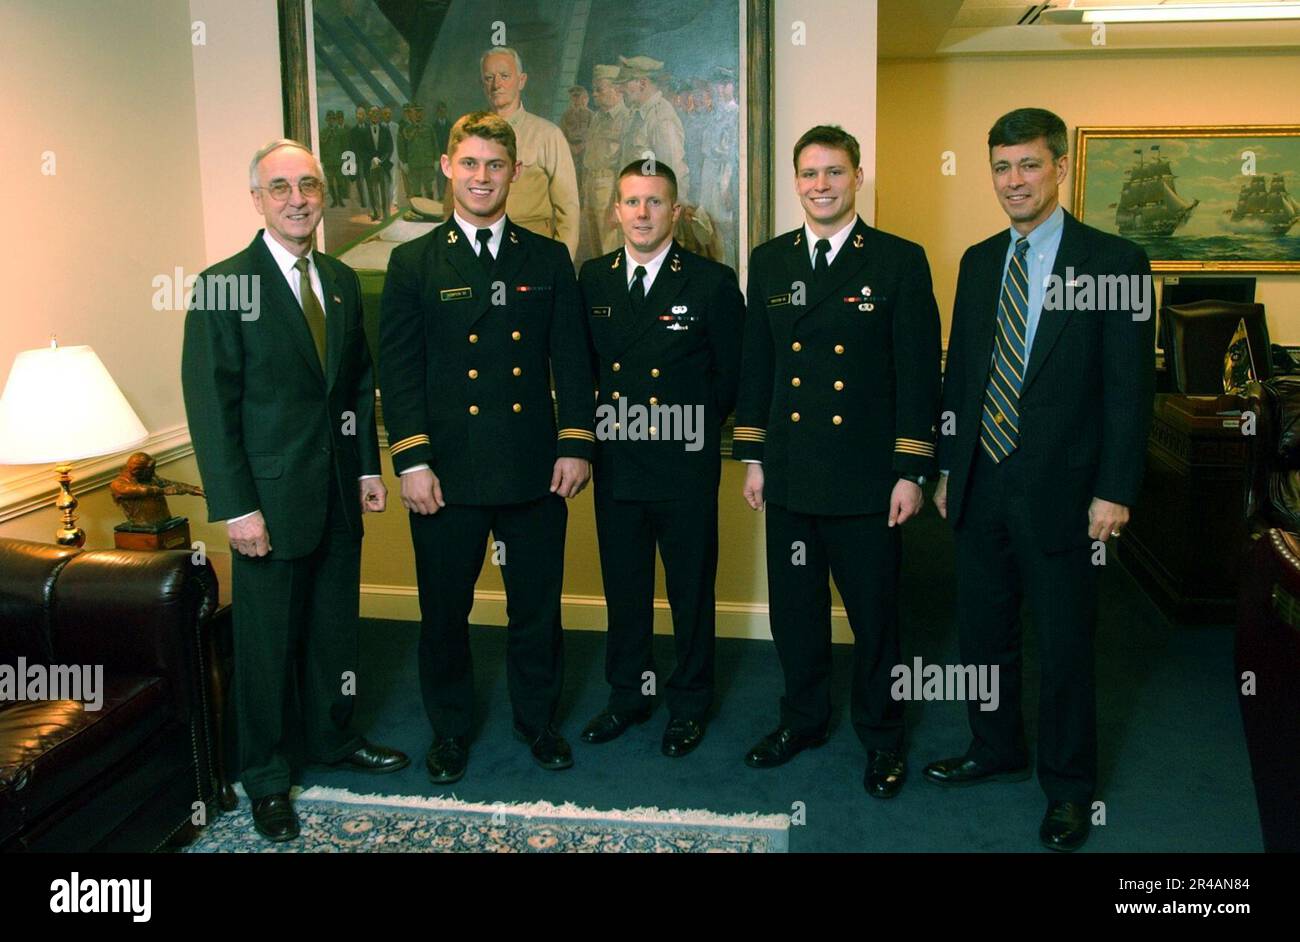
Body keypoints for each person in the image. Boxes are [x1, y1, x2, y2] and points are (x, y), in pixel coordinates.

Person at [927, 108, 1154, 852]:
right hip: (980, 481)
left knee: (1063, 648)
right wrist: (944, 466)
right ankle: (993, 749)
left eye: (1028, 165)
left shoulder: (1114, 262)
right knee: (984, 636)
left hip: (1066, 492)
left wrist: (1115, 490)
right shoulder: (979, 260)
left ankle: (1068, 788)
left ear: (1059, 167)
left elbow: (1128, 391)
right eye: (1000, 166)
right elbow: (962, 377)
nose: (1013, 181)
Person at [181, 139, 408, 843]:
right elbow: (210, 408)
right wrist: (236, 507)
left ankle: (334, 740)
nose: (298, 199)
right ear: (257, 200)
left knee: (335, 634)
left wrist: (369, 469)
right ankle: (268, 778)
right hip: (268, 505)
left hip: (340, 495)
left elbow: (356, 382)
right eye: (280, 187)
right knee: (267, 647)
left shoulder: (340, 281)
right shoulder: (226, 285)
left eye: (308, 184)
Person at [378, 111, 595, 784]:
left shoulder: (548, 257)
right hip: (445, 472)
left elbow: (574, 362)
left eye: (494, 165)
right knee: (445, 612)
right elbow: (399, 368)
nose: (481, 177)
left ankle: (538, 722)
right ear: (447, 168)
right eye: (469, 164)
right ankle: (450, 731)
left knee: (536, 607)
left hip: (532, 465)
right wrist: (411, 458)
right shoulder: (413, 260)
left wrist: (576, 442)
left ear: (515, 173)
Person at [733, 125, 941, 800]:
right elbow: (756, 366)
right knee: (796, 612)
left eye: (833, 172)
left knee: (876, 617)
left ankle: (883, 736)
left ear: (857, 177)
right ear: (796, 181)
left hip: (866, 481)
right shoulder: (769, 261)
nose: (820, 185)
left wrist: (912, 470)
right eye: (809, 174)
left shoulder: (897, 261)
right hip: (791, 473)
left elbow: (918, 376)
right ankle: (803, 720)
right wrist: (754, 457)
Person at [577, 160, 743, 757]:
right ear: (615, 210)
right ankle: (628, 696)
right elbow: (583, 371)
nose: (642, 213)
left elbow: (731, 377)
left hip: (682, 464)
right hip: (617, 462)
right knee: (624, 588)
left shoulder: (710, 282)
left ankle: (690, 703)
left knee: (690, 590)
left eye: (654, 202)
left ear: (675, 211)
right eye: (631, 202)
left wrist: (687, 430)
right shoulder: (592, 279)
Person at [481, 47, 580, 259]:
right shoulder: (470, 136)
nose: (496, 85)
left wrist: (562, 266)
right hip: (481, 252)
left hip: (532, 252)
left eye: (505, 76)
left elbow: (568, 210)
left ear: (522, 80)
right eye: (489, 78)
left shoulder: (547, 135)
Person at [619, 56, 689, 204]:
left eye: (625, 83)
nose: (620, 89)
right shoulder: (635, 115)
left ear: (643, 83)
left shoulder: (661, 118)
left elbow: (673, 173)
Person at [579, 64, 631, 259]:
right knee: (593, 247)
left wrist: (617, 203)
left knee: (609, 247)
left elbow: (624, 167)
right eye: (593, 90)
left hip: (609, 189)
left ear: (617, 89)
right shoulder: (597, 118)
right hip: (591, 186)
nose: (594, 95)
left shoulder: (626, 119)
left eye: (599, 89)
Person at [362, 105, 394, 221]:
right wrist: (372, 159)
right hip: (370, 166)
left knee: (385, 191)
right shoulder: (364, 130)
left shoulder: (385, 129)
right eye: (372, 113)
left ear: (379, 115)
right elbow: (362, 149)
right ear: (369, 115)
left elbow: (389, 147)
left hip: (383, 165)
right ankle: (376, 213)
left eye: (377, 113)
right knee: (372, 190)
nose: (375, 115)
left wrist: (382, 160)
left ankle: (386, 215)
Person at [560, 85, 593, 180]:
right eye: (573, 97)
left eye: (578, 97)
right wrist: (571, 147)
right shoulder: (566, 115)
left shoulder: (591, 115)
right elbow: (562, 134)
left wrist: (582, 146)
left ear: (585, 99)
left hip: (585, 152)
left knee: (583, 178)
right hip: (570, 151)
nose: (576, 100)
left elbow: (593, 135)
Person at [347, 104, 370, 210]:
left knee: (372, 180)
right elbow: (350, 148)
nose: (360, 116)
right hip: (358, 160)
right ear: (356, 116)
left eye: (362, 114)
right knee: (360, 181)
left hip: (370, 159)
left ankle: (372, 201)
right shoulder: (352, 131)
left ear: (365, 116)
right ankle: (364, 202)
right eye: (359, 114)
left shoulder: (371, 129)